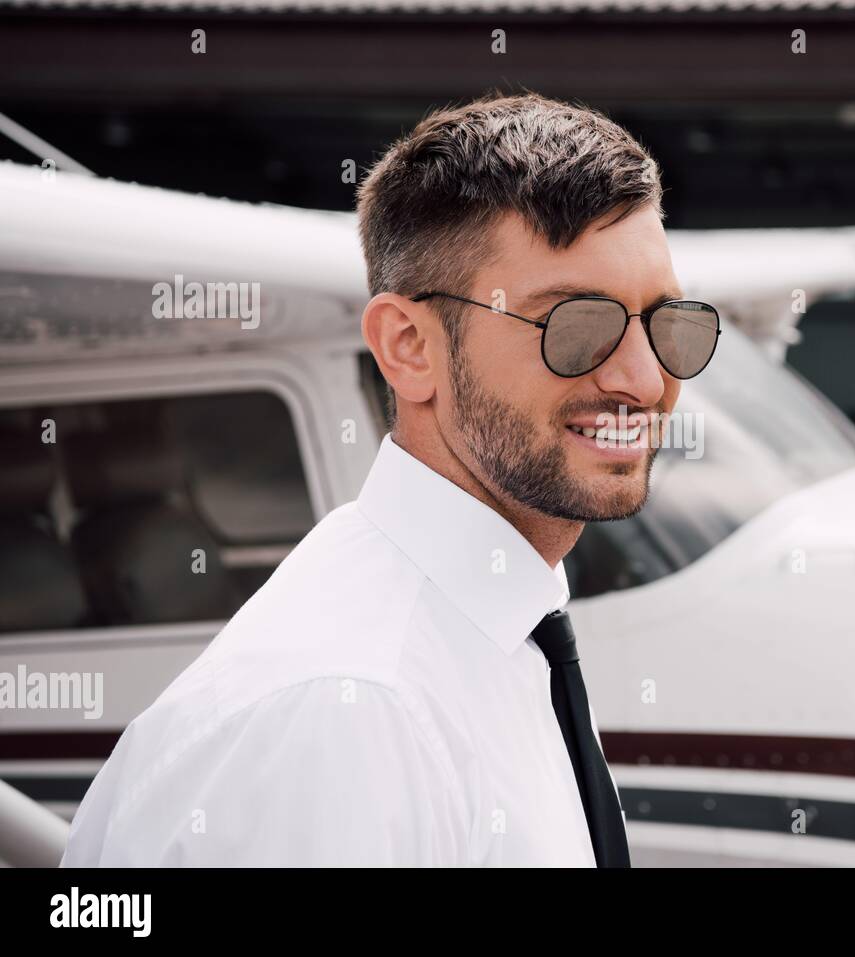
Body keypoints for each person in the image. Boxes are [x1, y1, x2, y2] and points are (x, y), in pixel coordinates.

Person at [60, 90, 720, 866]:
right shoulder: (346, 713)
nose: (645, 379)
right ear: (408, 346)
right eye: (576, 325)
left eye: (669, 323)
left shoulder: (493, 638)